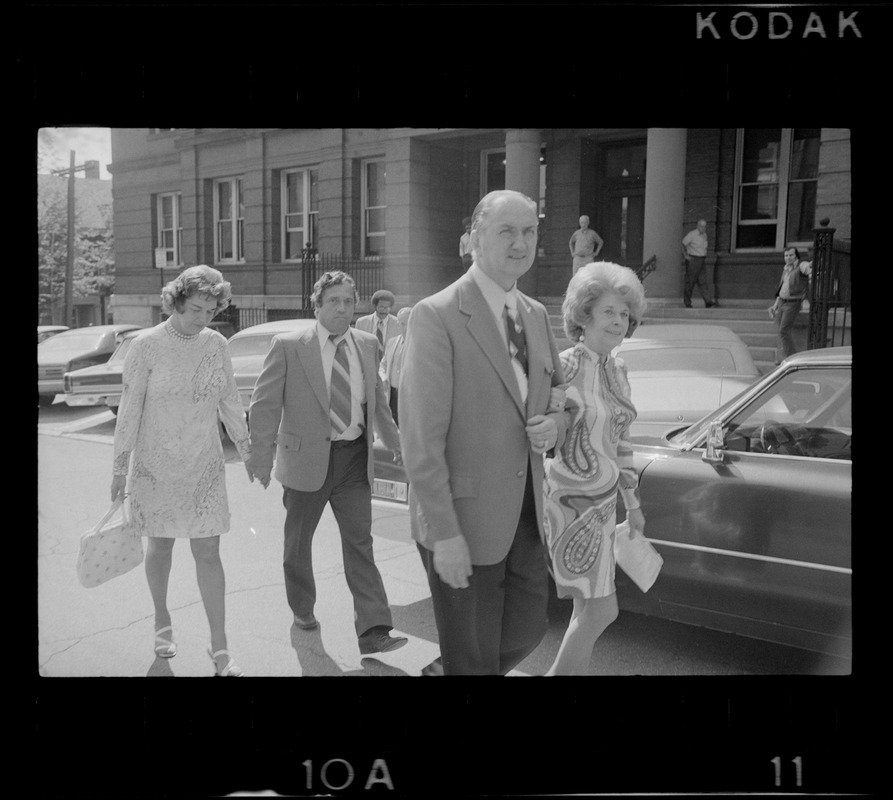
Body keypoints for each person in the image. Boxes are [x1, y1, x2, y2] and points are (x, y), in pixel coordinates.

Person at [399, 189, 569, 676]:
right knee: (473, 656)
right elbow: (421, 441)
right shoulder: (436, 315)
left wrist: (556, 425)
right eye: (507, 231)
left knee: (527, 630)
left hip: (525, 517)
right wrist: (445, 535)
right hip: (463, 522)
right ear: (475, 239)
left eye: (529, 231)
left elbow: (562, 393)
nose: (521, 243)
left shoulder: (535, 314)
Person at [246, 271, 408, 655]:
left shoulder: (367, 344)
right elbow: (264, 405)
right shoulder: (289, 346)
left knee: (360, 544)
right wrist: (260, 456)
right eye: (333, 301)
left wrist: (397, 444)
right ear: (317, 305)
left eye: (348, 302)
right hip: (305, 461)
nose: (342, 308)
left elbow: (378, 402)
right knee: (298, 545)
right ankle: (302, 609)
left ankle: (373, 630)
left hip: (353, 460)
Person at [110, 265, 251, 677]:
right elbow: (129, 409)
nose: (203, 318)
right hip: (156, 465)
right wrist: (119, 467)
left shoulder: (216, 345)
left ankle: (219, 646)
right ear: (176, 302)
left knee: (208, 551)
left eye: (211, 311)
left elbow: (229, 400)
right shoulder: (145, 346)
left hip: (204, 466)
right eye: (195, 309)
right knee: (162, 546)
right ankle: (162, 619)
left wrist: (247, 450)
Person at [543, 261, 647, 676]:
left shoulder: (619, 371)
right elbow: (542, 434)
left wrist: (632, 505)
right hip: (570, 503)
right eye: (608, 311)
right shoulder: (562, 366)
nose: (619, 321)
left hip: (604, 507)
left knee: (585, 611)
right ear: (583, 315)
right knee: (603, 611)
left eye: (624, 313)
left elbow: (623, 444)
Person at [768, 247, 813, 363]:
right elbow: (781, 289)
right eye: (786, 255)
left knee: (784, 330)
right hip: (782, 302)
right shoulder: (786, 269)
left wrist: (810, 268)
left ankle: (791, 358)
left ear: (796, 256)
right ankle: (782, 357)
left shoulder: (800, 266)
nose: (788, 258)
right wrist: (775, 305)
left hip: (792, 303)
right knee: (781, 331)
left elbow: (806, 267)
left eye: (791, 255)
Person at [379, 305, 412, 426]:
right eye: (400, 323)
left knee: (408, 428)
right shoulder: (392, 342)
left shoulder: (420, 345)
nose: (402, 327)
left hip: (409, 396)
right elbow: (383, 365)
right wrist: (383, 377)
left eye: (405, 323)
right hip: (392, 394)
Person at [681, 219, 718, 308]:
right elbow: (682, 244)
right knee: (690, 281)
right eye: (701, 226)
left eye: (705, 226)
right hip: (693, 259)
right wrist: (685, 255)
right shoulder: (692, 234)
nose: (703, 228)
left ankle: (708, 301)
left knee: (703, 281)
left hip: (702, 260)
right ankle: (687, 302)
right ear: (697, 226)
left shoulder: (704, 235)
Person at [356, 289, 400, 356]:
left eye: (387, 308)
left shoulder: (398, 324)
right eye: (381, 307)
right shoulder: (361, 323)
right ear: (375, 306)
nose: (384, 310)